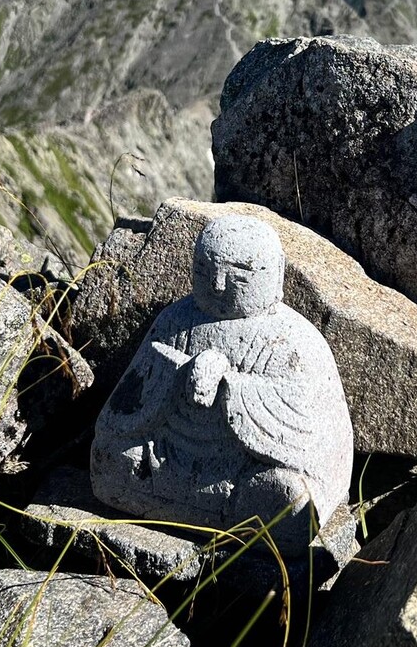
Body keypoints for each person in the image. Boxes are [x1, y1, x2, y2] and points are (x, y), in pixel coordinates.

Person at [90, 215, 353, 551]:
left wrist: (231, 387)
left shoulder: (295, 341)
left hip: (247, 470)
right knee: (109, 456)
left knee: (288, 498)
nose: (216, 284)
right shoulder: (175, 321)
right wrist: (175, 375)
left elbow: (313, 435)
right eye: (204, 271)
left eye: (237, 276)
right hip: (170, 457)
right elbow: (125, 408)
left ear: (275, 275)